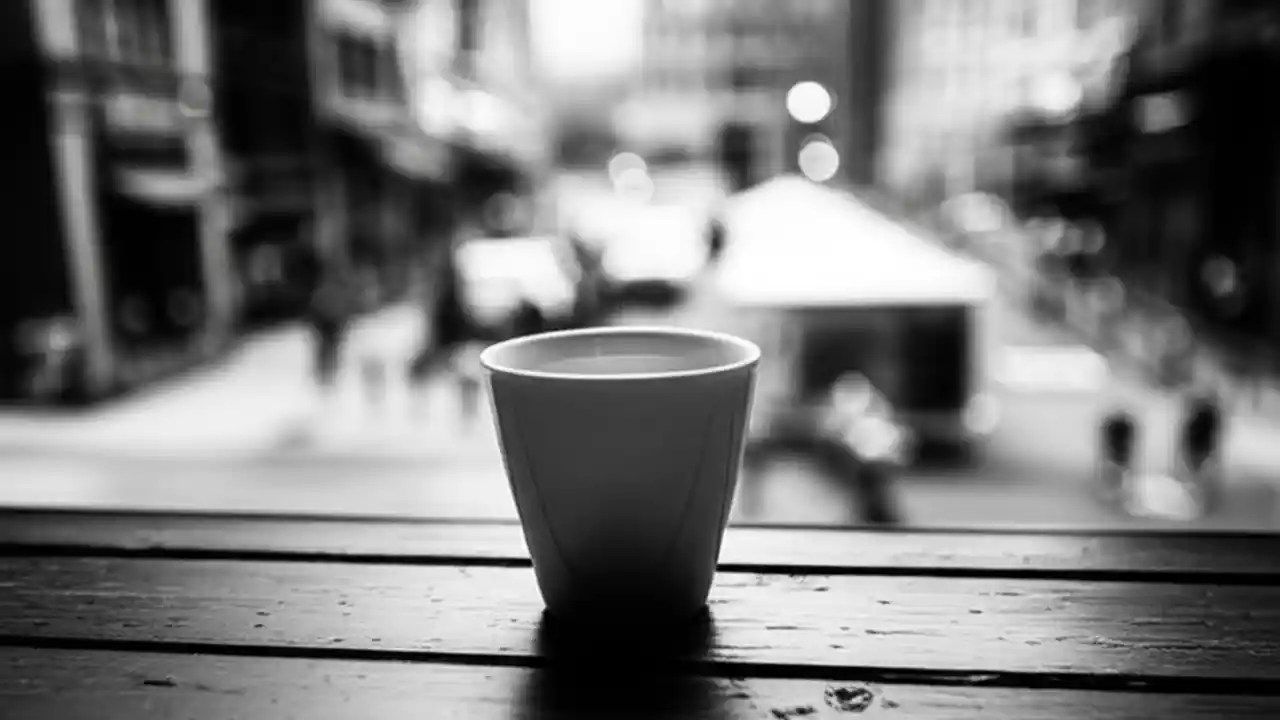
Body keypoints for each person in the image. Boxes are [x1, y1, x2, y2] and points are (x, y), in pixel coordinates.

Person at [306, 266, 351, 394]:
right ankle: (324, 377)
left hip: (331, 327)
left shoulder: (334, 291)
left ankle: (329, 377)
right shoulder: (321, 292)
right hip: (326, 327)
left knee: (330, 350)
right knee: (326, 350)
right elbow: (314, 311)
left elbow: (344, 312)